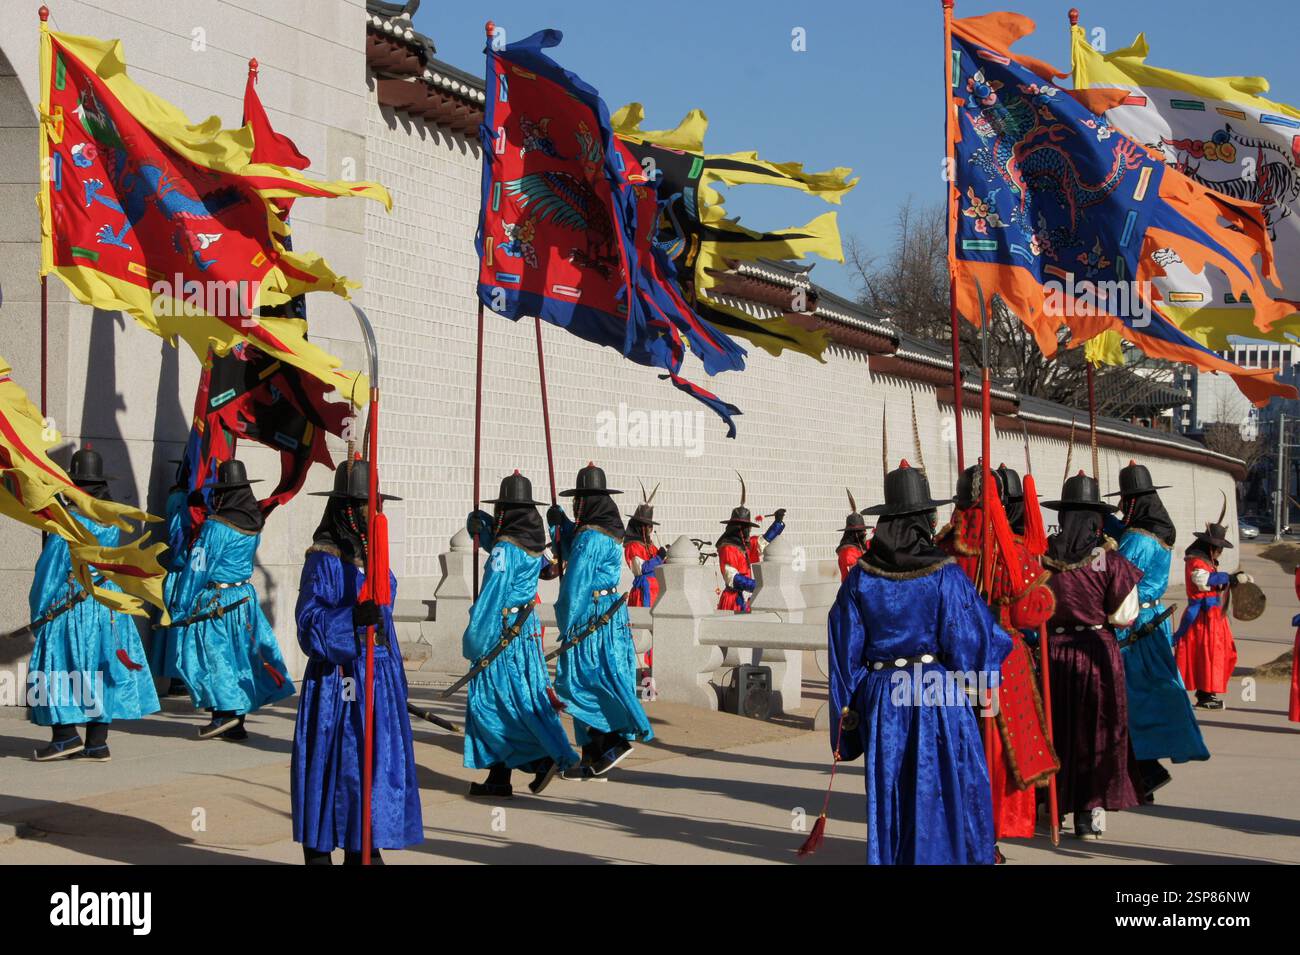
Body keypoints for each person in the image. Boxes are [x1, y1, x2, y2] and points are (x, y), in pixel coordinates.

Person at [828, 460, 1011, 865]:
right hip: (935, 689)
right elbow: (974, 641)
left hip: (883, 695)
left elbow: (844, 652)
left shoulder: (860, 578)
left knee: (894, 786)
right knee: (940, 780)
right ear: (923, 521)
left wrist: (847, 723)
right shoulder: (945, 575)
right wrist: (987, 672)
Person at [291, 459, 421, 864]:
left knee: (372, 771)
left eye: (376, 504)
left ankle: (365, 846)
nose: (374, 512)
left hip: (378, 683)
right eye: (367, 505)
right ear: (348, 509)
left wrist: (395, 681)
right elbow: (309, 627)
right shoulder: (324, 561)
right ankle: (323, 853)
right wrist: (350, 620)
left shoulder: (376, 559)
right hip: (338, 683)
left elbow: (387, 629)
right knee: (336, 768)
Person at [936, 463, 1057, 851]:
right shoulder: (1009, 551)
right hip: (1000, 659)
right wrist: (1043, 598)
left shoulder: (941, 547)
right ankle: (989, 837)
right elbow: (1026, 613)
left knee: (955, 748)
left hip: (949, 663)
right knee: (994, 752)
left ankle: (957, 833)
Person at [27, 447, 160, 761]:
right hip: (108, 606)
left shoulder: (69, 523)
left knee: (56, 669)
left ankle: (64, 736)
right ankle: (97, 742)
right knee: (102, 669)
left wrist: (40, 611)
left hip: (72, 608)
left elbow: (51, 570)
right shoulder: (111, 520)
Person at [462, 471, 579, 798]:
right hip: (525, 628)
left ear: (505, 511)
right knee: (517, 697)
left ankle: (542, 759)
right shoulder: (528, 545)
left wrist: (475, 638)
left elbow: (492, 595)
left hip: (501, 630)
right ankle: (498, 777)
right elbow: (539, 566)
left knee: (493, 701)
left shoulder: (503, 551)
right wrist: (482, 527)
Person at [1040, 472, 1144, 840]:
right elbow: (1125, 615)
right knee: (1096, 733)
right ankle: (1089, 812)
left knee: (1055, 729)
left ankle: (1047, 804)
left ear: (1065, 516)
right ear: (1096, 519)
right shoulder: (1109, 560)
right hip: (1098, 654)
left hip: (1052, 653)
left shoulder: (1044, 556)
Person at [168, 459, 294, 740]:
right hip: (243, 598)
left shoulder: (216, 527)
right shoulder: (254, 523)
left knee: (215, 657)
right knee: (239, 658)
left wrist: (180, 605)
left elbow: (198, 566)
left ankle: (224, 714)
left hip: (217, 600)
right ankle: (235, 722)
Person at [1104, 462, 1209, 798]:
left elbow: (1120, 578)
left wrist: (1105, 552)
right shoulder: (1157, 529)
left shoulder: (1137, 538)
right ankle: (1142, 774)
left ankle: (1146, 771)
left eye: (1125, 500)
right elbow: (1129, 539)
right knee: (1149, 698)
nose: (1123, 506)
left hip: (1131, 626)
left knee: (1131, 702)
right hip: (1153, 621)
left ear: (1133, 501)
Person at [548, 462, 653, 779]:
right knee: (599, 677)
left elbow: (576, 582)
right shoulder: (600, 532)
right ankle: (594, 754)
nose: (575, 505)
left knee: (583, 680)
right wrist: (563, 525)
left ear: (587, 502)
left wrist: (565, 622)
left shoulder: (591, 537)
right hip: (608, 613)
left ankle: (610, 742)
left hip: (591, 615)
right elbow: (573, 550)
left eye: (577, 501)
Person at [1174, 498, 1248, 710]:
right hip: (1202, 618)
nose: (1219, 552)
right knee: (1206, 655)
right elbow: (1202, 581)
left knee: (1218, 654)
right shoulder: (1196, 562)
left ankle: (1207, 692)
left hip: (1214, 617)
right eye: (1217, 547)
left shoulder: (1207, 562)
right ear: (1209, 546)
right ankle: (1205, 695)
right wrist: (1229, 578)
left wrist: (1231, 580)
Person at [148, 460, 191, 696]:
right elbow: (177, 537)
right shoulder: (180, 499)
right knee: (178, 624)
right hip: (182, 571)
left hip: (192, 571)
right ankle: (177, 677)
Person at [716, 474, 786, 613]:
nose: (748, 530)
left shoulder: (745, 546)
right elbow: (734, 578)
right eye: (745, 527)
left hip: (746, 596)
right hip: (734, 599)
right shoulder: (727, 548)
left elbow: (763, 541)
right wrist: (759, 585)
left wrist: (777, 523)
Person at [624, 481, 665, 610]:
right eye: (647, 526)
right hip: (643, 592)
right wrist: (659, 558)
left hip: (656, 591)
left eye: (651, 526)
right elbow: (641, 569)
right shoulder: (633, 546)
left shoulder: (650, 545)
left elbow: (661, 563)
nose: (650, 529)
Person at [836, 489, 868, 581]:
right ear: (854, 534)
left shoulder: (858, 548)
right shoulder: (848, 553)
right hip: (853, 591)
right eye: (861, 531)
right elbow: (856, 577)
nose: (865, 533)